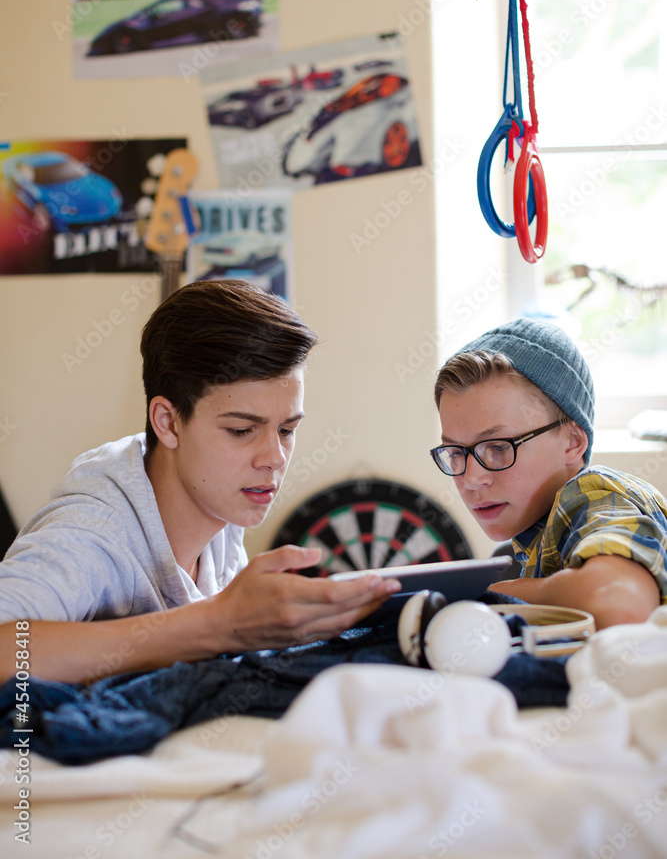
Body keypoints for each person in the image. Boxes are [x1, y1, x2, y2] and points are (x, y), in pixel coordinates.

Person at [0, 280, 399, 684]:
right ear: (168, 423)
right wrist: (217, 623)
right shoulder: (94, 531)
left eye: (286, 430)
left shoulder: (219, 503)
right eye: (242, 430)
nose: (274, 458)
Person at [431, 317, 667, 630]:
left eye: (498, 447)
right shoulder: (525, 545)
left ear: (572, 442)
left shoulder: (593, 497)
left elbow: (621, 605)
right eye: (457, 453)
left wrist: (478, 597)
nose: (472, 479)